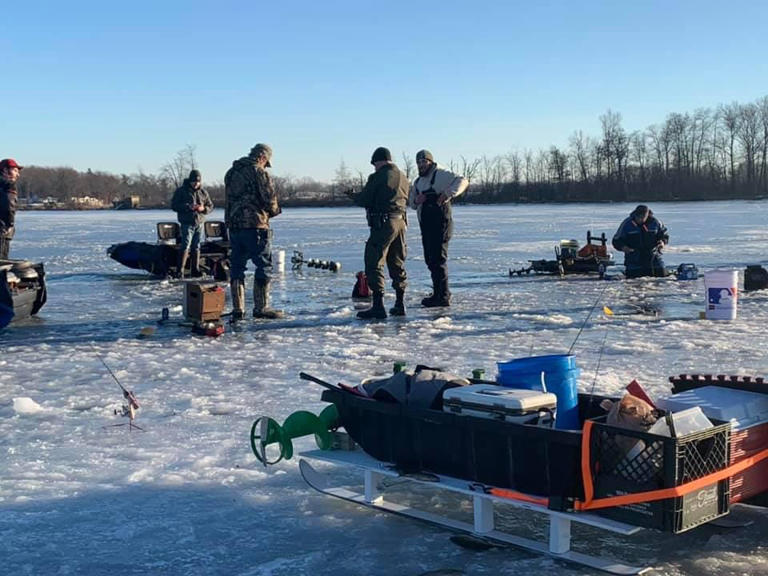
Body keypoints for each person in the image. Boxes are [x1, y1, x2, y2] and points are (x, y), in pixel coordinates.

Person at [346, 147, 409, 319]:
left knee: (374, 260)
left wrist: (353, 196)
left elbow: (367, 199)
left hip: (383, 223)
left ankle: (379, 306)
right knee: (397, 261)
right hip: (401, 222)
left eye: (374, 164)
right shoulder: (403, 177)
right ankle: (399, 303)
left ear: (379, 161)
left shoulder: (378, 176)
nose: (374, 167)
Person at [224, 143, 283, 320]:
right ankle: (261, 307)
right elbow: (269, 197)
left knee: (237, 266)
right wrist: (274, 211)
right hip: (255, 224)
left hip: (234, 226)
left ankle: (238, 308)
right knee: (263, 264)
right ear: (263, 157)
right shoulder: (259, 172)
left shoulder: (231, 172)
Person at [409, 149, 468, 307]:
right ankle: (439, 291)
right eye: (419, 163)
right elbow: (411, 203)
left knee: (438, 259)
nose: (421, 165)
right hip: (426, 225)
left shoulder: (441, 174)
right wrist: (417, 200)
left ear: (430, 161)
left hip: (441, 223)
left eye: (424, 162)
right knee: (430, 259)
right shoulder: (418, 182)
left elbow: (462, 180)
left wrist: (447, 193)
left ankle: (442, 296)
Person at [171, 169, 213, 277]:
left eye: (198, 181)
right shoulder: (181, 191)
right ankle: (180, 270)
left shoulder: (203, 192)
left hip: (199, 222)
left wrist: (203, 209)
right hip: (187, 222)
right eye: (194, 181)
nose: (196, 183)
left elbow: (210, 206)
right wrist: (188, 207)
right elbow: (174, 205)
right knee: (186, 245)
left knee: (196, 246)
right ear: (190, 181)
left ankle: (195, 269)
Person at [611, 204, 669, 278]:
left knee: (662, 276)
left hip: (653, 258)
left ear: (647, 215)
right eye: (638, 217)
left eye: (643, 217)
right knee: (634, 278)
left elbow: (664, 235)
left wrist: (662, 242)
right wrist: (623, 247)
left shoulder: (655, 222)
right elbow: (616, 240)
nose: (640, 219)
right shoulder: (627, 224)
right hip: (634, 260)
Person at [0, 158, 22, 260]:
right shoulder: (8, 185)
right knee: (2, 261)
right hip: (2, 229)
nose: (18, 175)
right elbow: (9, 206)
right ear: (5, 170)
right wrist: (9, 224)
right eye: (15, 171)